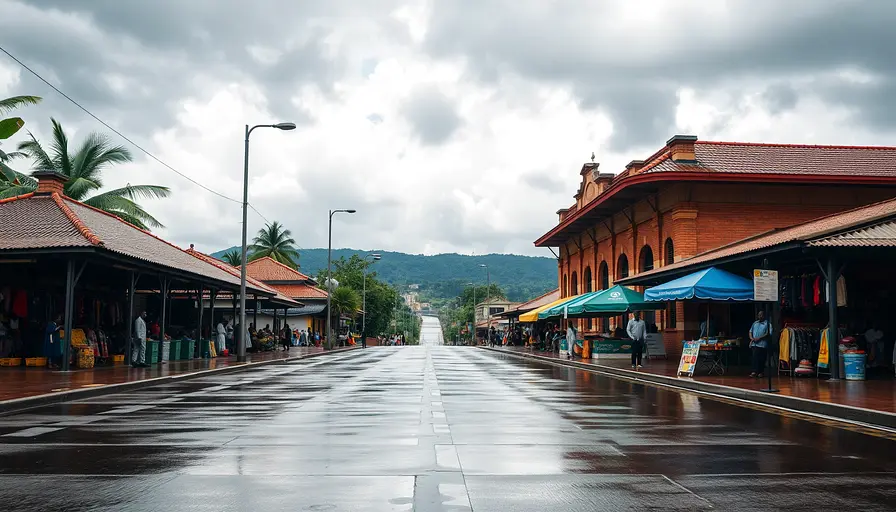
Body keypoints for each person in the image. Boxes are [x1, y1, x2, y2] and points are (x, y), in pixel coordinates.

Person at [748, 310, 773, 378]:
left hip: (762, 344)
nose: (760, 316)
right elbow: (750, 331)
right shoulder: (755, 323)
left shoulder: (768, 324)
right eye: (759, 315)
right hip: (754, 344)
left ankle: (761, 372)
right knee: (754, 358)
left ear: (764, 316)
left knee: (762, 359)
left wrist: (759, 338)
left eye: (761, 315)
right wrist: (751, 338)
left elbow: (768, 333)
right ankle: (754, 371)